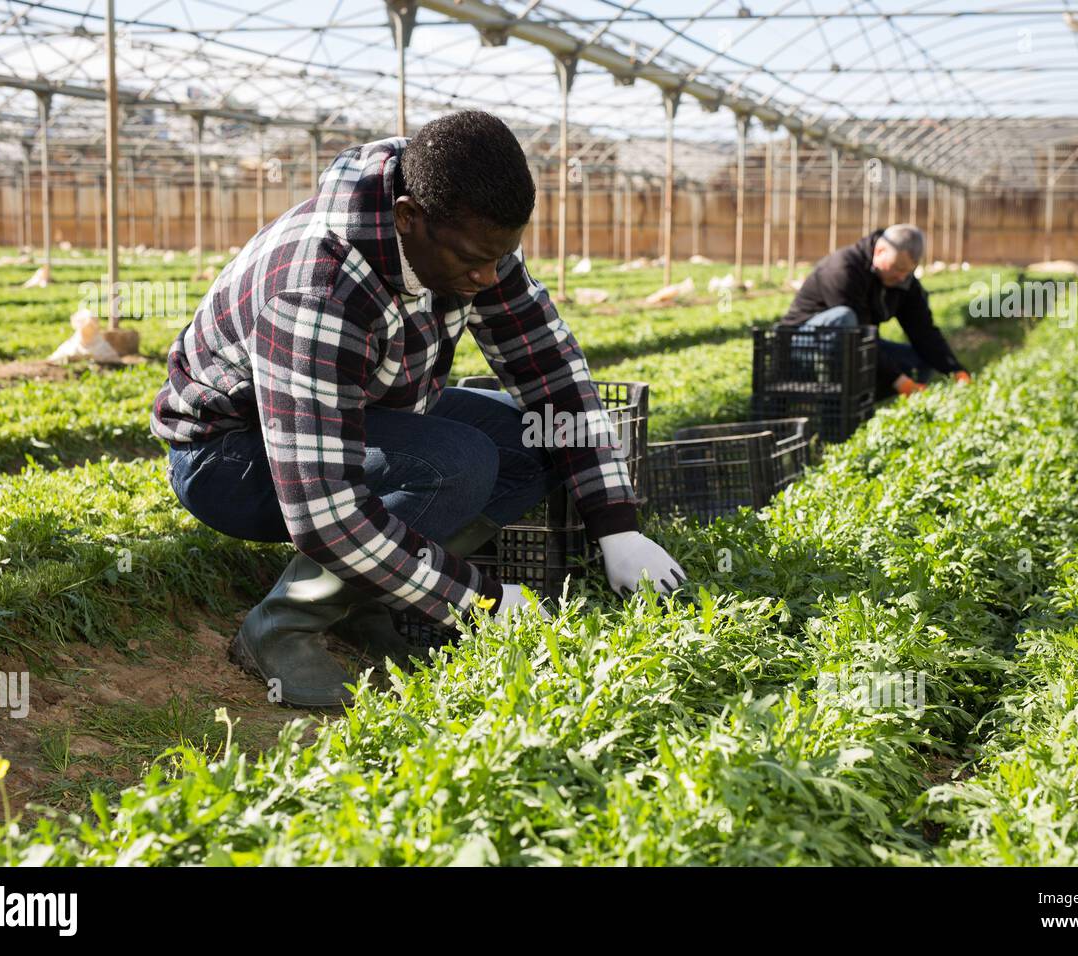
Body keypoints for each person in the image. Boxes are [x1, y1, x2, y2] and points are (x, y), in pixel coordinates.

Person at [150, 110, 686, 708]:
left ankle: (363, 601)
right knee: (457, 463)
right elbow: (322, 510)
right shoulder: (317, 287)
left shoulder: (462, 234)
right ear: (409, 217)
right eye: (474, 261)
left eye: (502, 255)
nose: (488, 276)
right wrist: (478, 600)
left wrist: (617, 526)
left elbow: (552, 373)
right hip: (231, 455)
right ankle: (282, 629)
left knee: (534, 440)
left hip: (356, 411)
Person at [782, 223, 971, 397]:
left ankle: (861, 399)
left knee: (920, 362)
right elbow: (860, 335)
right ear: (880, 251)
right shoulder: (843, 269)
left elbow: (923, 331)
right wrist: (898, 379)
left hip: (855, 345)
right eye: (897, 268)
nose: (901, 277)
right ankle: (837, 402)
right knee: (845, 319)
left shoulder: (903, 281)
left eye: (908, 271)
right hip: (802, 346)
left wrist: (955, 370)